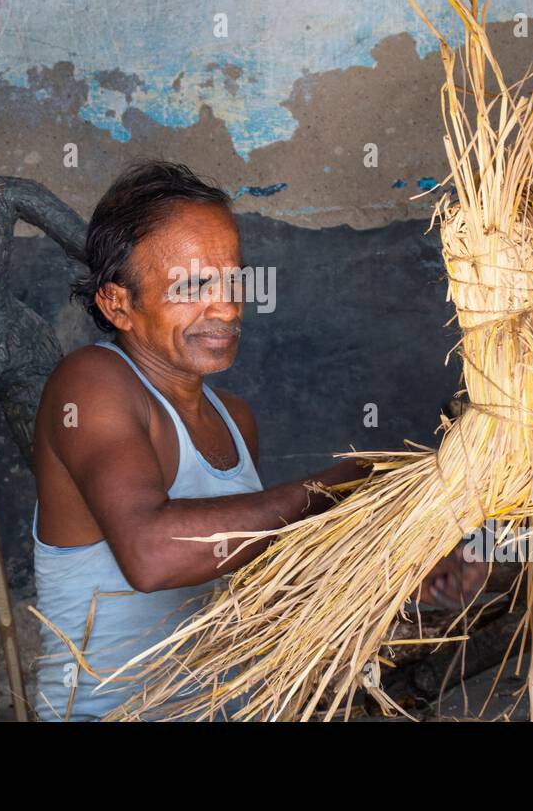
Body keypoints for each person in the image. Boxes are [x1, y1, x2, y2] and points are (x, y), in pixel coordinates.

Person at [30, 160, 481, 720]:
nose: (227, 306)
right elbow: (152, 555)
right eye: (192, 285)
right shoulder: (91, 384)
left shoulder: (233, 419)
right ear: (117, 303)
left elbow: (246, 579)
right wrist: (340, 484)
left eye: (232, 279)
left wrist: (405, 570)